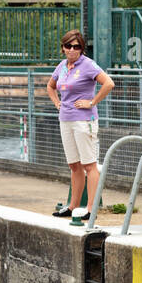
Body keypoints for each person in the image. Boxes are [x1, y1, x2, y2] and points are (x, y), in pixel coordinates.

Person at [46, 30, 114, 216]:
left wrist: (91, 102)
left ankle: (91, 209)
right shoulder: (62, 66)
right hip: (65, 119)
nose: (72, 50)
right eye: (68, 46)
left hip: (84, 121)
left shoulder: (88, 65)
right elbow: (51, 86)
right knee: (74, 165)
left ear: (82, 49)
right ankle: (72, 206)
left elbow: (108, 83)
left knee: (89, 165)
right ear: (63, 48)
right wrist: (57, 103)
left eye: (76, 47)